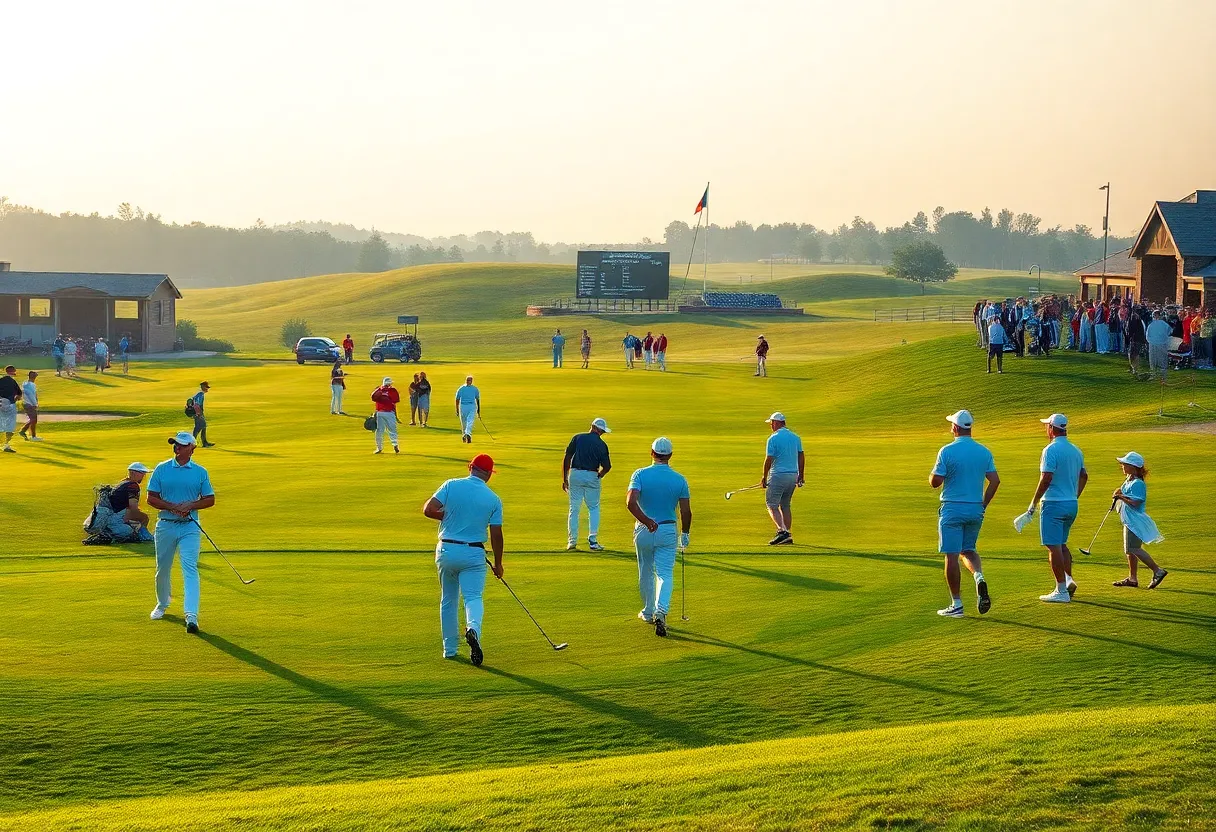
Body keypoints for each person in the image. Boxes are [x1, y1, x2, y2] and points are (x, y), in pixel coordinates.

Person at [422, 453, 504, 666]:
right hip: (473, 553)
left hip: (447, 549)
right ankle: (473, 628)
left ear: (470, 467)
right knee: (473, 597)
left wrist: (449, 517)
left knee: (448, 599)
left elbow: (428, 509)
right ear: (489, 474)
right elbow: (496, 534)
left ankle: (449, 649)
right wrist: (498, 564)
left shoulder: (451, 485)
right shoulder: (493, 498)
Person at [929, 410, 998, 617]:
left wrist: (933, 475)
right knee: (968, 550)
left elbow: (935, 482)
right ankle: (978, 577)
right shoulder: (984, 451)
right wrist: (983, 505)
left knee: (951, 555)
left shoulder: (947, 451)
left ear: (955, 427)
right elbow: (995, 481)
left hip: (952, 508)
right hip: (975, 509)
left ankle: (957, 604)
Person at [147, 431, 216, 634]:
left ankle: (191, 615)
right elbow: (151, 498)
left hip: (189, 527)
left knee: (190, 568)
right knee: (163, 568)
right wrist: (172, 507)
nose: (177, 447)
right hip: (165, 525)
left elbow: (209, 499)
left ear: (192, 449)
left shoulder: (200, 472)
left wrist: (190, 505)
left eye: (182, 444)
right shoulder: (161, 468)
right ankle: (162, 604)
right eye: (175, 444)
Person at [627, 437, 692, 638]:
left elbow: (630, 502)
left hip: (644, 529)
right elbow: (686, 512)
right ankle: (661, 611)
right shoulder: (680, 479)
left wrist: (647, 521)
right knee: (665, 574)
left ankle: (648, 612)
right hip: (668, 530)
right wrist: (685, 534)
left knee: (645, 571)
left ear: (652, 453)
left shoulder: (639, 474)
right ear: (670, 455)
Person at [1027, 413, 1087, 603]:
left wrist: (1033, 502)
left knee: (1053, 547)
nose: (1046, 429)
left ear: (1052, 428)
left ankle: (1061, 590)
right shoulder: (1076, 450)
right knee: (1061, 544)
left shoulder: (1050, 450)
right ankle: (1068, 580)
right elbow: (1084, 476)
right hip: (1071, 504)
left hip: (1053, 504)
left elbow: (1046, 478)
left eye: (1047, 426)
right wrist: (1074, 495)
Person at [1110, 451, 1167, 590]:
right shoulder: (1129, 479)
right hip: (1128, 520)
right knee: (1129, 550)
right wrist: (1119, 493)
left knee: (1133, 548)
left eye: (1125, 464)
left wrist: (1120, 497)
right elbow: (1126, 493)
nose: (1122, 466)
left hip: (1135, 521)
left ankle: (1157, 571)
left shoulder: (1137, 483)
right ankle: (1132, 578)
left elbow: (1135, 503)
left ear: (1133, 467)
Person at [562, 418, 612, 552]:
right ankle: (593, 541)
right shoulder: (602, 445)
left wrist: (565, 478)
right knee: (593, 508)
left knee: (574, 509)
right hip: (592, 475)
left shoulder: (578, 438)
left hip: (575, 474)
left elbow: (567, 457)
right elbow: (607, 466)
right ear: (598, 430)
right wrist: (600, 475)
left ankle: (572, 541)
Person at [762, 412, 804, 545]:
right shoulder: (795, 437)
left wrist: (764, 477)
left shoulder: (773, 438)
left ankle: (783, 531)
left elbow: (769, 459)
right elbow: (801, 456)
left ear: (776, 423)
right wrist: (801, 475)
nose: (771, 426)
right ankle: (787, 535)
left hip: (778, 475)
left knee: (771, 505)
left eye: (771, 423)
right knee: (785, 505)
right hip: (792, 476)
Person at [108, 462, 154, 542]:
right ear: (133, 473)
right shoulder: (132, 486)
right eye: (142, 473)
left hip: (110, 518)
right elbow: (133, 508)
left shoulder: (122, 483)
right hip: (117, 522)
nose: (143, 475)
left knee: (139, 517)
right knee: (143, 517)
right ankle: (145, 537)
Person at [371, 376, 400, 454]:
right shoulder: (392, 391)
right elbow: (394, 403)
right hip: (390, 413)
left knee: (379, 431)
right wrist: (396, 416)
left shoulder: (378, 390)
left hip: (380, 413)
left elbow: (373, 397)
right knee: (392, 430)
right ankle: (395, 444)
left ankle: (379, 448)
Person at [1146, 310, 1171, 381]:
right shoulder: (1151, 325)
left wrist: (1163, 338)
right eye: (1154, 315)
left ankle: (1162, 376)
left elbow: (1169, 331)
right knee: (1153, 360)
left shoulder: (1163, 324)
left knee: (1161, 360)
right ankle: (1154, 375)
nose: (1155, 317)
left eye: (1156, 315)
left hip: (1161, 344)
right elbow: (1147, 335)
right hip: (1154, 344)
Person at [0, 365, 20, 453]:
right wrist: (15, 400)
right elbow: (19, 394)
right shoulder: (12, 381)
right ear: (12, 371)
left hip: (1, 404)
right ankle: (6, 445)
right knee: (10, 427)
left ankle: (4, 444)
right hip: (10, 404)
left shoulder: (1, 380)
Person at [18, 370, 41, 441]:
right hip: (29, 404)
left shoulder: (26, 384)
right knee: (33, 420)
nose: (36, 377)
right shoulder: (31, 385)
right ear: (33, 377)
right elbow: (31, 395)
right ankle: (27, 433)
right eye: (35, 375)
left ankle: (28, 433)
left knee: (33, 420)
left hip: (26, 403)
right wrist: (35, 404)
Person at [456, 375, 480, 443]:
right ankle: (465, 435)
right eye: (468, 380)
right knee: (464, 422)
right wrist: (457, 409)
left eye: (470, 380)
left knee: (469, 420)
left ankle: (467, 434)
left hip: (471, 406)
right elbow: (457, 399)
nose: (469, 381)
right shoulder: (461, 388)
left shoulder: (474, 389)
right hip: (464, 406)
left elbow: (477, 399)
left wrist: (478, 409)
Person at [191, 382, 215, 447]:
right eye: (206, 387)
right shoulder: (200, 394)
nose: (207, 389)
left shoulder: (199, 394)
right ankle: (192, 443)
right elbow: (196, 404)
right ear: (203, 387)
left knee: (202, 426)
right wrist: (198, 413)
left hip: (198, 413)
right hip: (198, 413)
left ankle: (204, 443)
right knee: (199, 427)